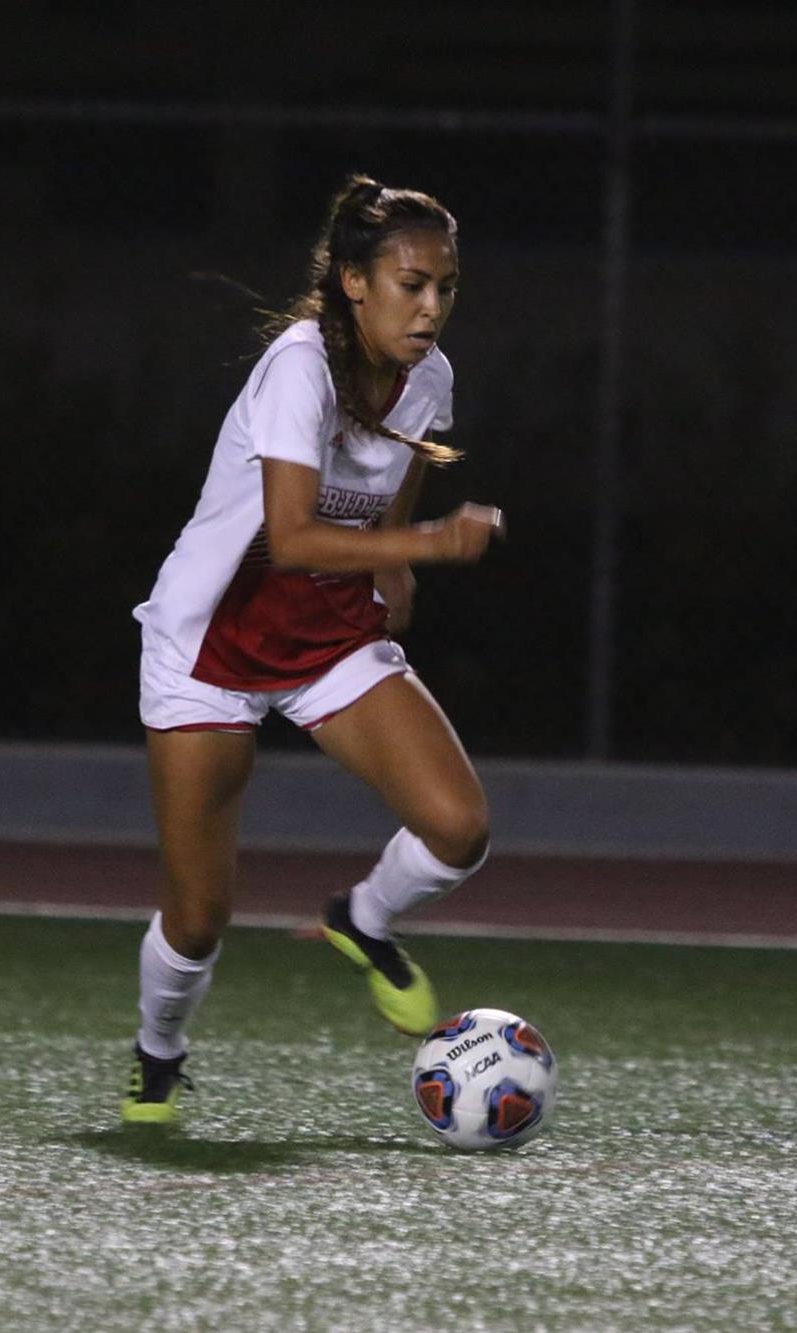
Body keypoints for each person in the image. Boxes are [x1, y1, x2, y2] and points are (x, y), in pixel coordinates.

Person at [123, 175, 503, 1124]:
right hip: (210, 641)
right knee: (200, 919)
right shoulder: (301, 367)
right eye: (412, 285)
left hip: (327, 633)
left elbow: (401, 469)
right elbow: (289, 537)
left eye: (445, 288)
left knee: (459, 828)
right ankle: (157, 1054)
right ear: (352, 284)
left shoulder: (431, 376)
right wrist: (425, 546)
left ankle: (361, 920)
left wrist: (398, 565)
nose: (430, 308)